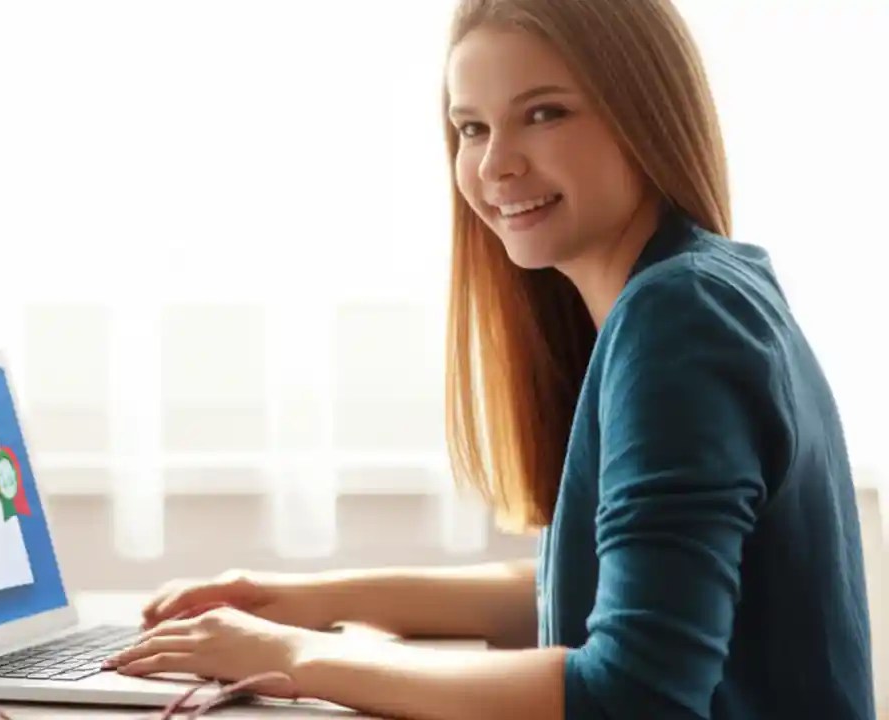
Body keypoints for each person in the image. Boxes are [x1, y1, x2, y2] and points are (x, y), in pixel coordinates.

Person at [100, 0, 876, 717]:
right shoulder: (702, 285)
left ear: (645, 114)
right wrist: (303, 598)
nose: (496, 164)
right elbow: (601, 590)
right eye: (471, 127)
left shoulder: (680, 317)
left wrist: (297, 657)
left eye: (543, 113)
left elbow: (635, 691)